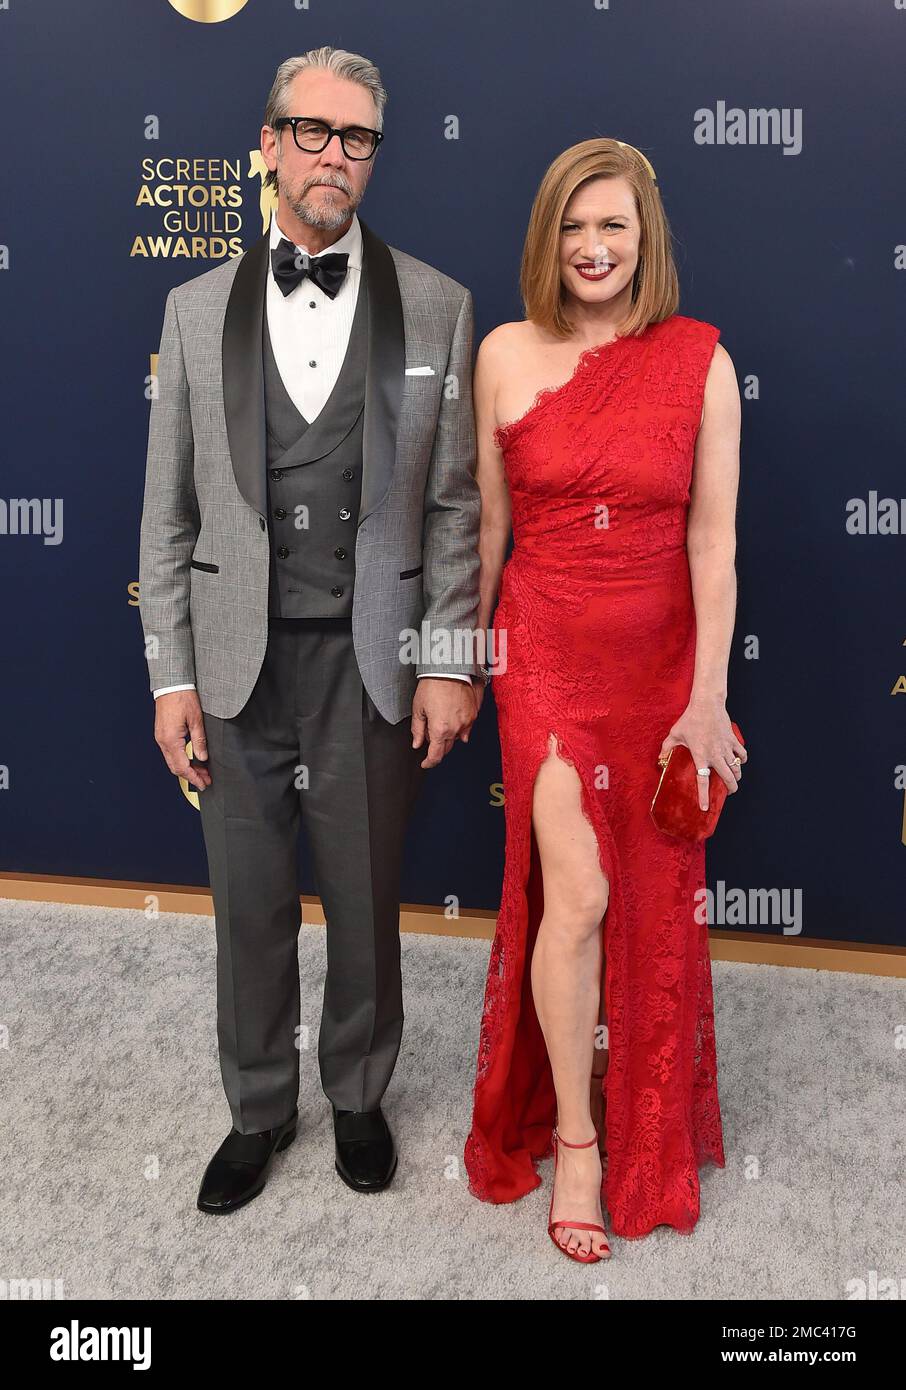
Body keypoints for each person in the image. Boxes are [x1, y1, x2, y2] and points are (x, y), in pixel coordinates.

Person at [138, 46, 483, 1213]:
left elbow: (451, 507)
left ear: (375, 156)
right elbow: (168, 514)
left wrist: (447, 659)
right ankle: (257, 1108)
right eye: (315, 131)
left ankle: (359, 1092)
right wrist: (169, 674)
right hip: (236, 661)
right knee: (247, 899)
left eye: (359, 139)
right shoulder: (191, 312)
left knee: (366, 891)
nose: (336, 155)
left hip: (370, 659)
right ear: (272, 141)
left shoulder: (439, 303)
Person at [463, 138, 745, 1262]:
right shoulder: (500, 353)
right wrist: (450, 664)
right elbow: (487, 530)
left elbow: (713, 539)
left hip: (661, 670)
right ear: (548, 236)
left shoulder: (700, 361)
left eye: (614, 225)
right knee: (574, 897)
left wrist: (708, 697)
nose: (593, 246)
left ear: (645, 237)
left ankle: (629, 1092)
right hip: (541, 658)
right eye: (574, 226)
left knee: (645, 904)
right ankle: (577, 1139)